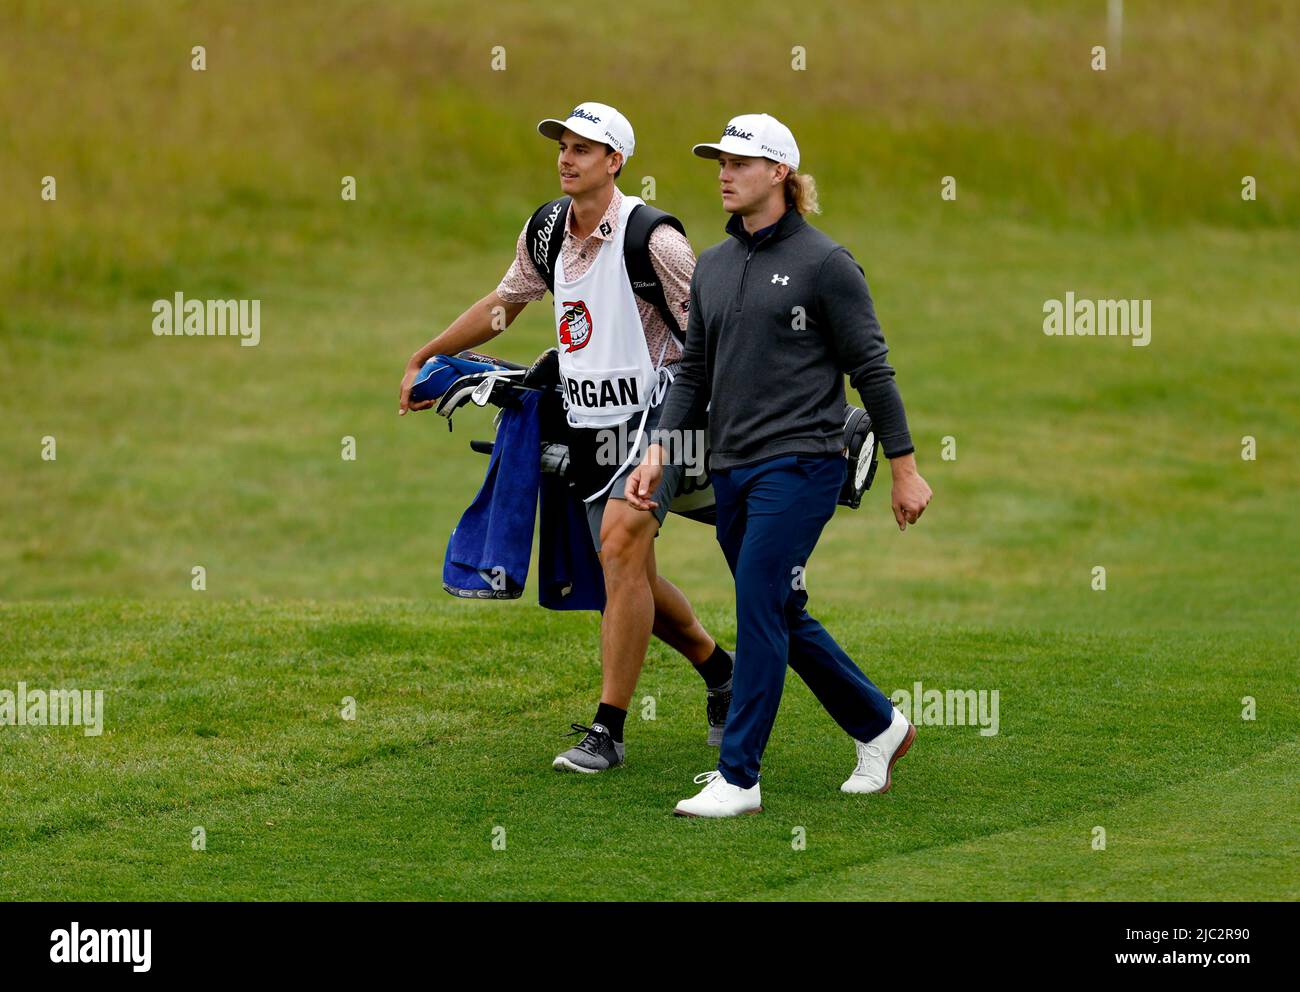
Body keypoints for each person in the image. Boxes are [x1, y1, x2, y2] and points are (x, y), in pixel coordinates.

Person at [400, 102, 733, 774]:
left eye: (585, 148)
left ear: (616, 162)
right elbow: (505, 306)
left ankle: (607, 731)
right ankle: (723, 673)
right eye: (563, 145)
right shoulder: (547, 230)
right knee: (629, 574)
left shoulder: (654, 240)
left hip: (657, 426)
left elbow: (714, 334)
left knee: (617, 550)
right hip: (587, 428)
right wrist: (428, 354)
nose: (567, 157)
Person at [627, 114, 932, 816]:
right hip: (732, 466)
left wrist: (906, 468)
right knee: (779, 608)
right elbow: (694, 371)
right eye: (720, 162)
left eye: (740, 162)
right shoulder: (714, 264)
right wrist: (659, 450)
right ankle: (881, 727)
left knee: (756, 599)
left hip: (804, 463)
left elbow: (873, 371)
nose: (724, 172)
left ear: (780, 176)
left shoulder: (827, 264)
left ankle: (740, 776)